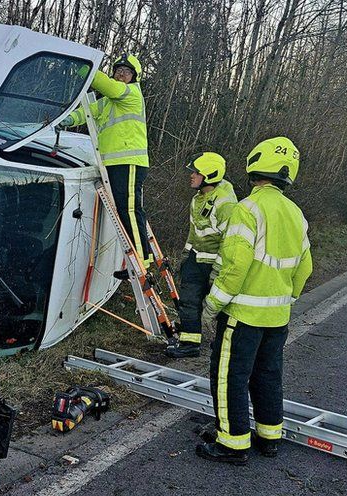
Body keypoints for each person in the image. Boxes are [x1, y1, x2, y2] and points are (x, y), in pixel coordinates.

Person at [195, 137, 312, 464]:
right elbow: (306, 266)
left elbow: (234, 266)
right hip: (278, 317)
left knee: (230, 376)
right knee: (268, 373)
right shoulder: (295, 213)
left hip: (243, 316)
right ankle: (269, 435)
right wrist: (287, 296)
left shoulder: (247, 209)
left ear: (255, 166)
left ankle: (232, 443)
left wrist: (212, 304)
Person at [60, 54, 153, 270]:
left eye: (126, 72)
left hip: (129, 162)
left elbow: (106, 85)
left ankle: (141, 261)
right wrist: (66, 119)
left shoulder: (130, 93)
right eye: (118, 70)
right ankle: (135, 260)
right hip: (113, 164)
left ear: (134, 77)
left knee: (129, 210)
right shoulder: (107, 103)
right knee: (123, 211)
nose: (121, 74)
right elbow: (86, 113)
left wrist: (85, 69)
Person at [166, 152, 237, 358]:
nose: (192, 175)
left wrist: (217, 271)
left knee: (221, 306)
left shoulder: (225, 204)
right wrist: (185, 256)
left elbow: (230, 241)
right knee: (189, 302)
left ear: (210, 176)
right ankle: (189, 344)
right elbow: (195, 231)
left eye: (197, 173)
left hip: (214, 264)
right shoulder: (198, 199)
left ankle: (223, 345)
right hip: (195, 260)